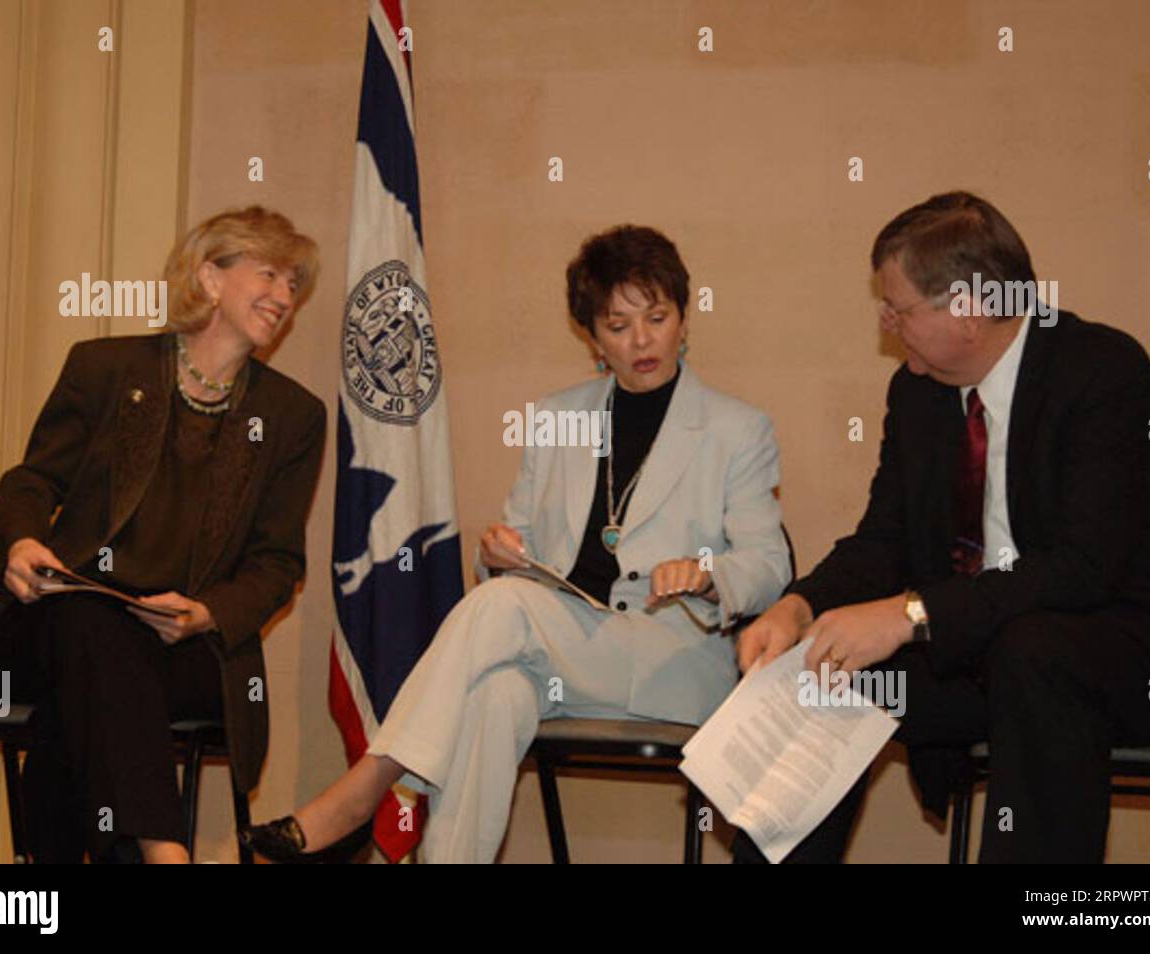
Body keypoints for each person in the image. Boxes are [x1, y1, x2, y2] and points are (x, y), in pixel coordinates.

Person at [243, 224, 792, 863]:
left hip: (673, 658)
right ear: (591, 337)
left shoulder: (737, 429)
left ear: (682, 318)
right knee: (492, 695)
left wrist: (704, 573)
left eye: (657, 318)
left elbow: (769, 564)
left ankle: (365, 790)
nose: (641, 340)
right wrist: (496, 552)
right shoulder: (558, 417)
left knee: (502, 609)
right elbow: (514, 548)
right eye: (617, 326)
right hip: (564, 652)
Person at [735, 191, 1150, 863]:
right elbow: (884, 539)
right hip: (984, 648)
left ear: (970, 307)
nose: (886, 323)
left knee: (1035, 648)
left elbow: (1082, 567)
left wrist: (910, 613)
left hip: (1132, 650)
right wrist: (799, 604)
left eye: (899, 308)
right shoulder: (918, 391)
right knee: (819, 667)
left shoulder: (1102, 371)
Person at [0, 206, 328, 863]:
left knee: (83, 696)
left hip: (188, 652)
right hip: (56, 626)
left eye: (294, 285)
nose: (284, 297)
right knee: (90, 628)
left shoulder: (292, 417)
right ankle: (164, 852)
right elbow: (30, 483)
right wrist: (20, 543)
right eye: (269, 274)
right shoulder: (104, 369)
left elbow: (277, 563)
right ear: (210, 279)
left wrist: (208, 613)